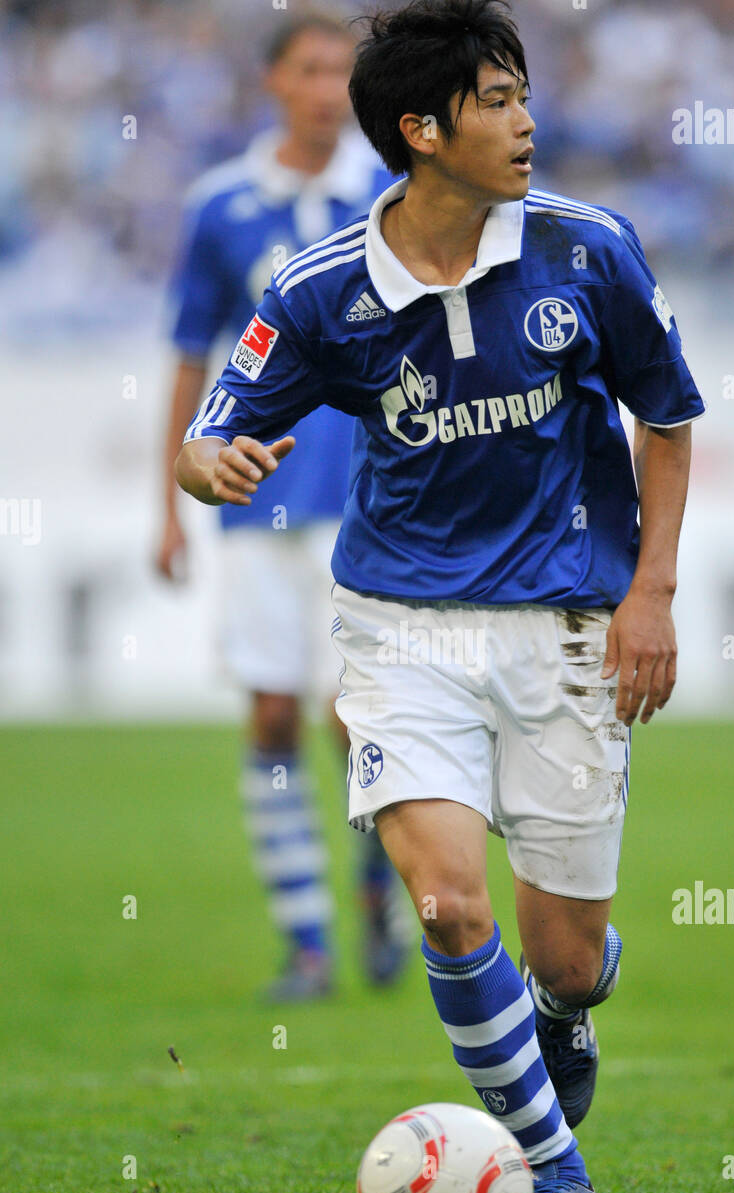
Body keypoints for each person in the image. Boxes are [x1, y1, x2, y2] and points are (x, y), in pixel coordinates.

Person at [175, 0, 704, 1193]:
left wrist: (651, 594)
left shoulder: (587, 249)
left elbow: (668, 415)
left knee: (563, 959)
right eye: (496, 102)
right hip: (399, 626)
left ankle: (562, 1010)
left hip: (564, 625)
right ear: (421, 130)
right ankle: (550, 1163)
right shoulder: (318, 289)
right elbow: (211, 428)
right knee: (452, 907)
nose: (525, 124)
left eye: (523, 97)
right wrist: (211, 466)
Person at [157, 12, 410, 1001]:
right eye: (307, 69)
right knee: (270, 716)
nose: (323, 88)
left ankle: (378, 889)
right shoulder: (220, 205)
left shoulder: (391, 194)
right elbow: (190, 357)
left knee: (354, 720)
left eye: (339, 72)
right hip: (252, 502)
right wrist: (168, 502)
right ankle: (306, 941)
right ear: (273, 81)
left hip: (370, 498)